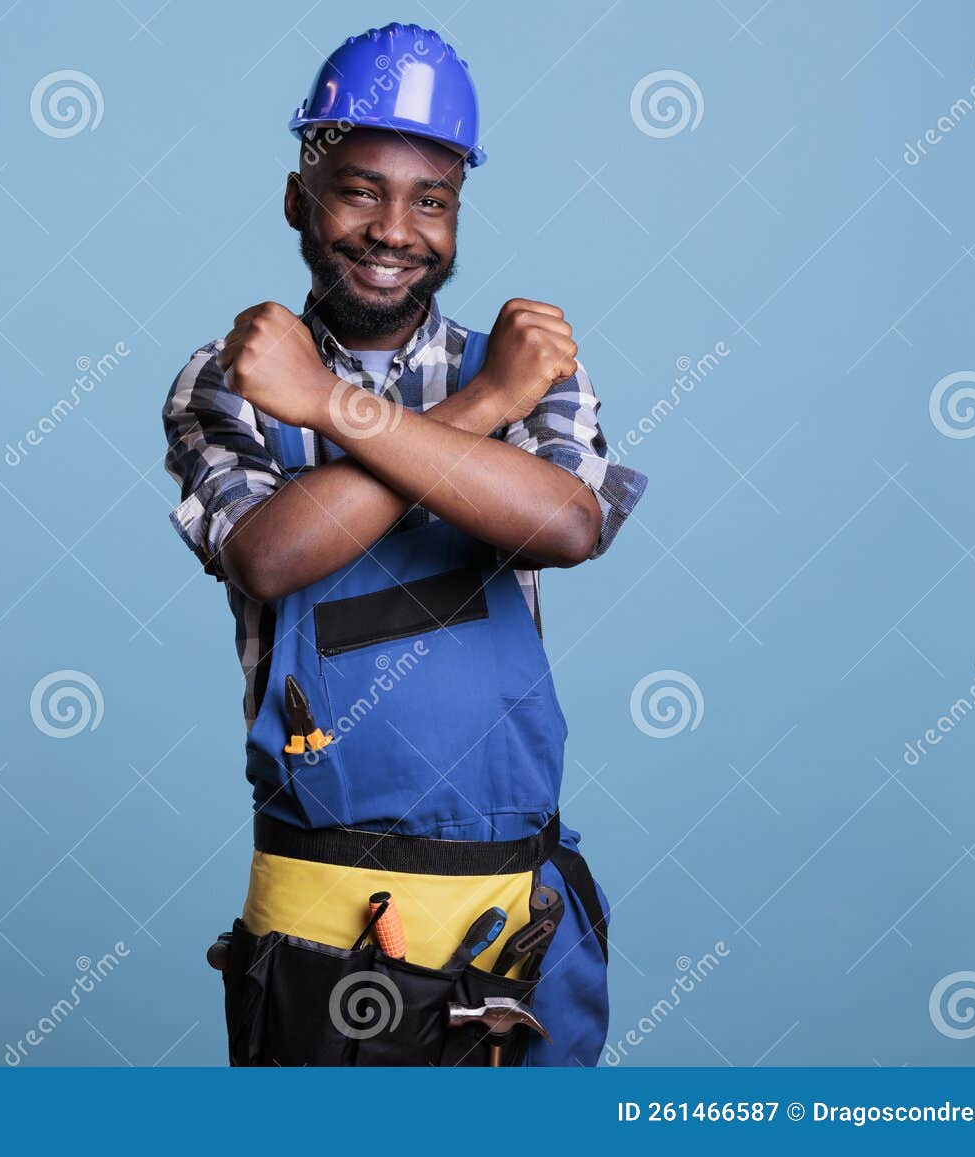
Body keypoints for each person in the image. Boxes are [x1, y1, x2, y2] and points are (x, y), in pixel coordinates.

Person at [161, 23, 647, 1067]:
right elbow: (269, 553)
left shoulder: (525, 359)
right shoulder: (234, 374)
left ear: (458, 215)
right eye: (358, 189)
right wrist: (476, 413)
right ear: (299, 199)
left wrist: (332, 405)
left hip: (517, 912)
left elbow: (565, 522)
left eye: (430, 198)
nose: (394, 229)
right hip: (322, 918)